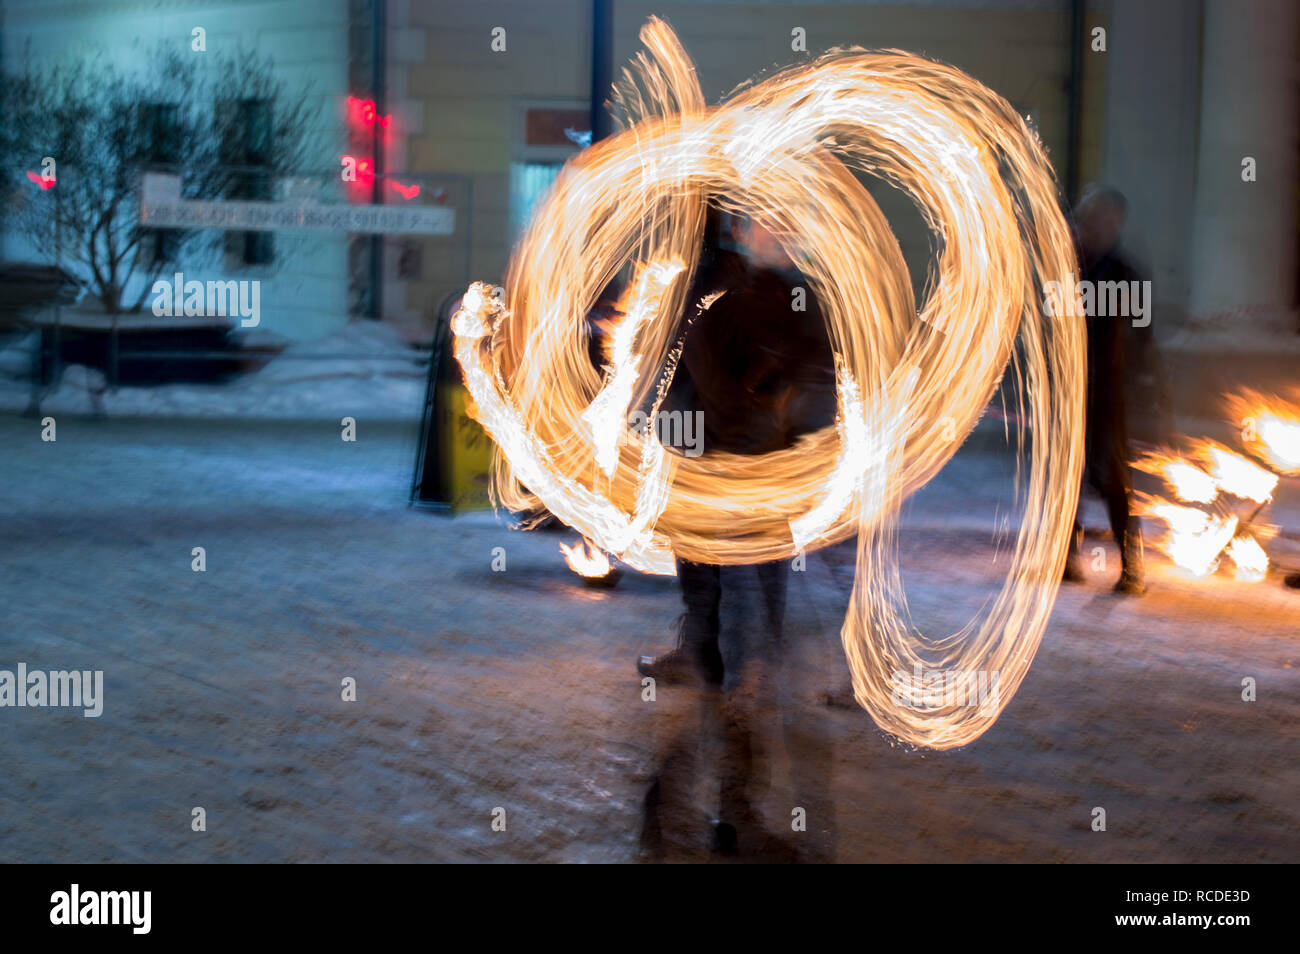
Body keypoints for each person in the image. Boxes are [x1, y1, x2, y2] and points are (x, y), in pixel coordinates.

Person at [1064, 185, 1148, 595]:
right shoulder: (1069, 266)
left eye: (1090, 219)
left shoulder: (1123, 272)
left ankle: (1131, 568)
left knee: (1113, 481)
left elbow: (1140, 338)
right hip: (1072, 391)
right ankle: (1066, 556)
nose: (1081, 226)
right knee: (1066, 478)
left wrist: (1140, 389)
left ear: (1111, 224)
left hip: (1109, 396)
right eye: (1081, 218)